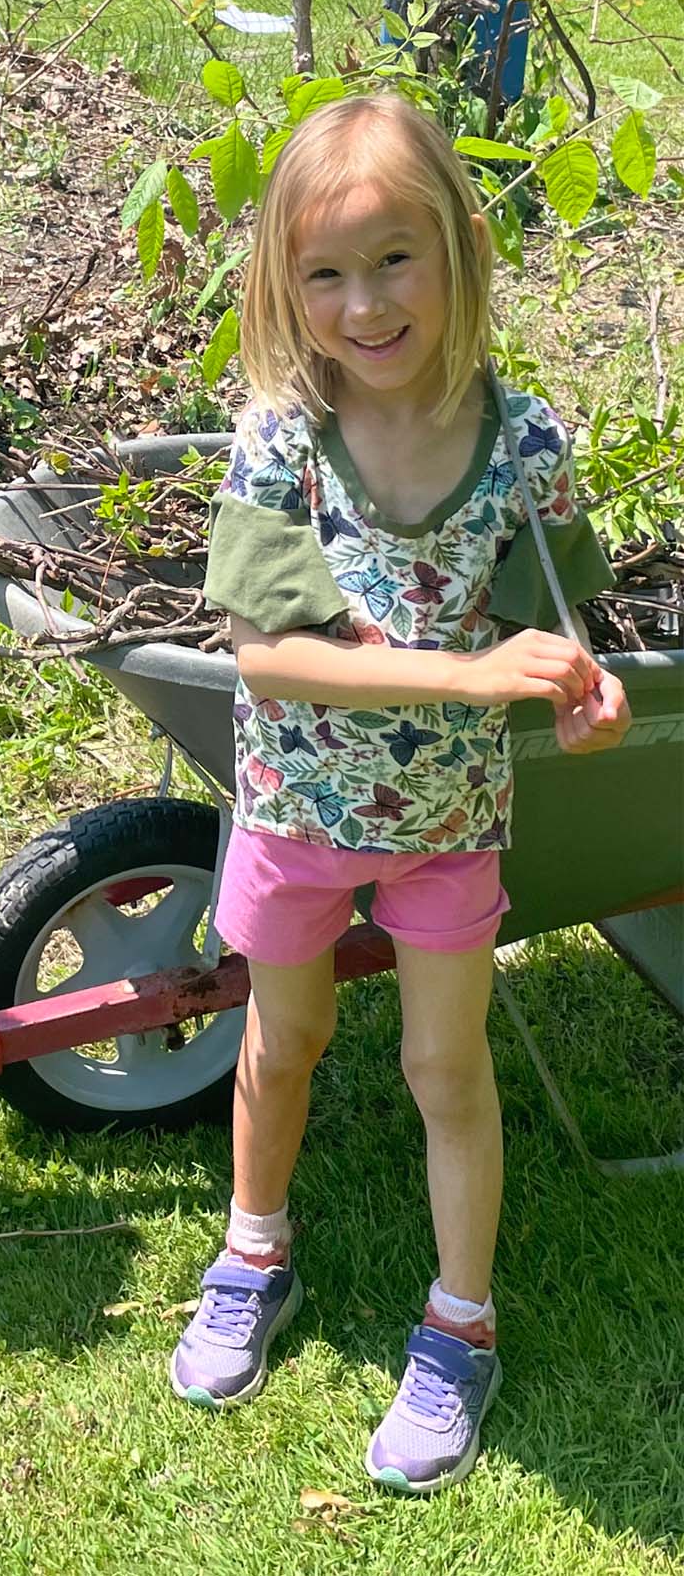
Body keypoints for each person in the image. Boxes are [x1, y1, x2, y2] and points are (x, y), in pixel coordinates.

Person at [167, 93, 630, 1494]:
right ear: (282, 281)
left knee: (446, 1069)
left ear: (460, 247)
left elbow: (557, 627)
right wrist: (469, 677)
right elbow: (269, 656)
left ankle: (460, 1323)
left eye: (393, 260)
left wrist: (581, 695)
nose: (364, 306)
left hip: (446, 833)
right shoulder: (282, 439)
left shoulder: (522, 445)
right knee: (283, 1040)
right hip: (295, 814)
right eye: (325, 272)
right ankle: (255, 1252)